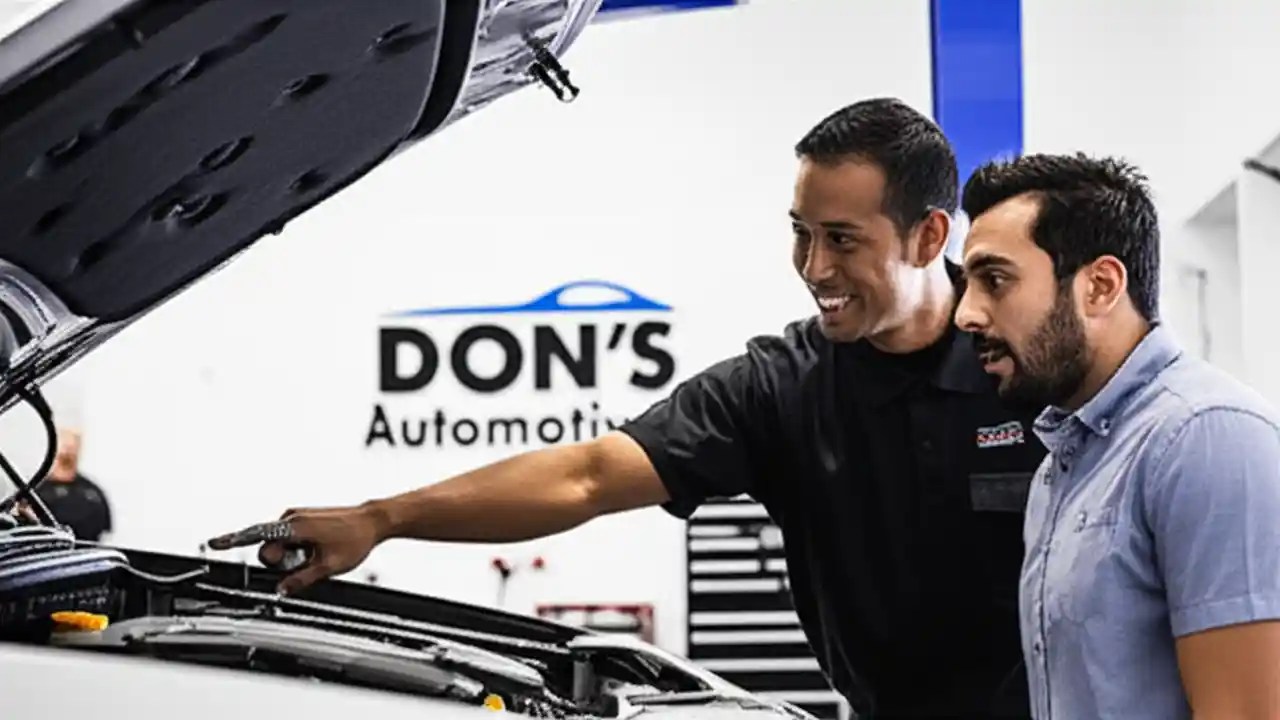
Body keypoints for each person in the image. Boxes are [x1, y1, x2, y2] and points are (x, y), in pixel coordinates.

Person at [209, 98, 1047, 718]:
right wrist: (381, 517)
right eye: (800, 232)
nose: (812, 265)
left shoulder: (1026, 365)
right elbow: (584, 476)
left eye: (842, 239)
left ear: (930, 238)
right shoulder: (782, 386)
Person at [955, 152, 1280, 720]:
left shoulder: (1205, 438)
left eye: (995, 280)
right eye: (967, 284)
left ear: (1100, 286)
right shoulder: (1062, 466)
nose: (967, 314)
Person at [35, 427, 113, 542]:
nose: (68, 451)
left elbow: (105, 532)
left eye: (72, 446)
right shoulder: (38, 491)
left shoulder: (93, 492)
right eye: (65, 445)